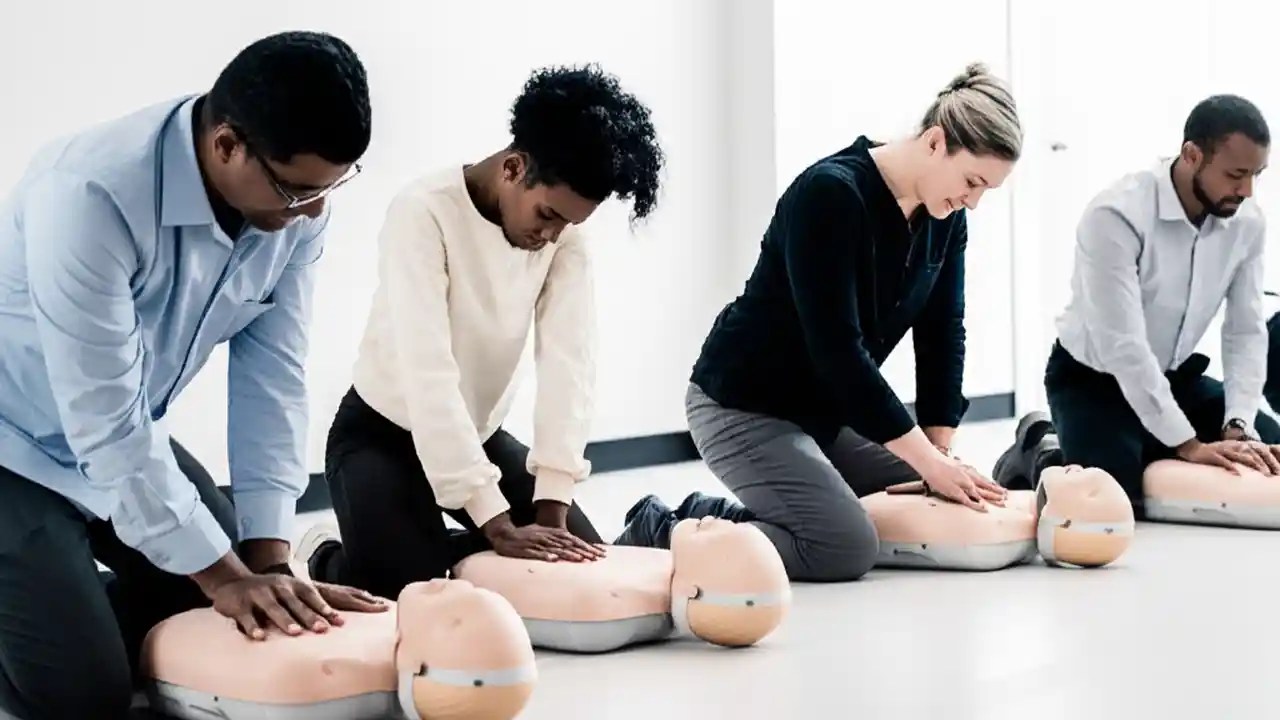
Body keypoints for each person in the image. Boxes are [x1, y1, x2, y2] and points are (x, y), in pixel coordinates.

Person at [0, 32, 386, 720]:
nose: (315, 212)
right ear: (227, 145)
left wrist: (267, 565)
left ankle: (56, 609)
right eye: (298, 189)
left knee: (226, 607)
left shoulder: (291, 208)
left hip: (123, 433)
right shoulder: (88, 193)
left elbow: (274, 376)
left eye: (331, 187)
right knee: (84, 697)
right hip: (13, 445)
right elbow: (105, 421)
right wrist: (226, 576)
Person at [613, 63, 1022, 582]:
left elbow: (944, 332)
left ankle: (809, 497)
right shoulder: (830, 194)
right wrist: (929, 464)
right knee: (843, 545)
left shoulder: (947, 219)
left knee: (962, 494)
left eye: (987, 189)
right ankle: (671, 525)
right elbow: (838, 352)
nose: (974, 201)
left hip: (826, 414)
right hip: (744, 405)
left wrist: (939, 454)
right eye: (972, 181)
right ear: (936, 142)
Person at [297, 64, 666, 600]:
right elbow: (429, 373)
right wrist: (495, 524)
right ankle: (328, 553)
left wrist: (552, 508)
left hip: (478, 437)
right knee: (412, 590)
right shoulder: (422, 213)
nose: (551, 235)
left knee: (577, 567)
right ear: (514, 167)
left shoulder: (563, 241)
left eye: (568, 225)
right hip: (381, 435)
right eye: (547, 215)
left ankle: (434, 539)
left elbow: (570, 368)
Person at [993, 94, 1280, 517]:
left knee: (1269, 454)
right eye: (1236, 174)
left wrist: (1238, 424)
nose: (1247, 190)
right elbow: (1123, 347)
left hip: (1174, 379)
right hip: (1094, 381)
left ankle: (1147, 442)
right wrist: (1188, 445)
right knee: (1110, 503)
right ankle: (1041, 447)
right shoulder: (1116, 215)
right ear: (1191, 154)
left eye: (1257, 174)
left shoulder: (1247, 222)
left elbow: (1245, 330)